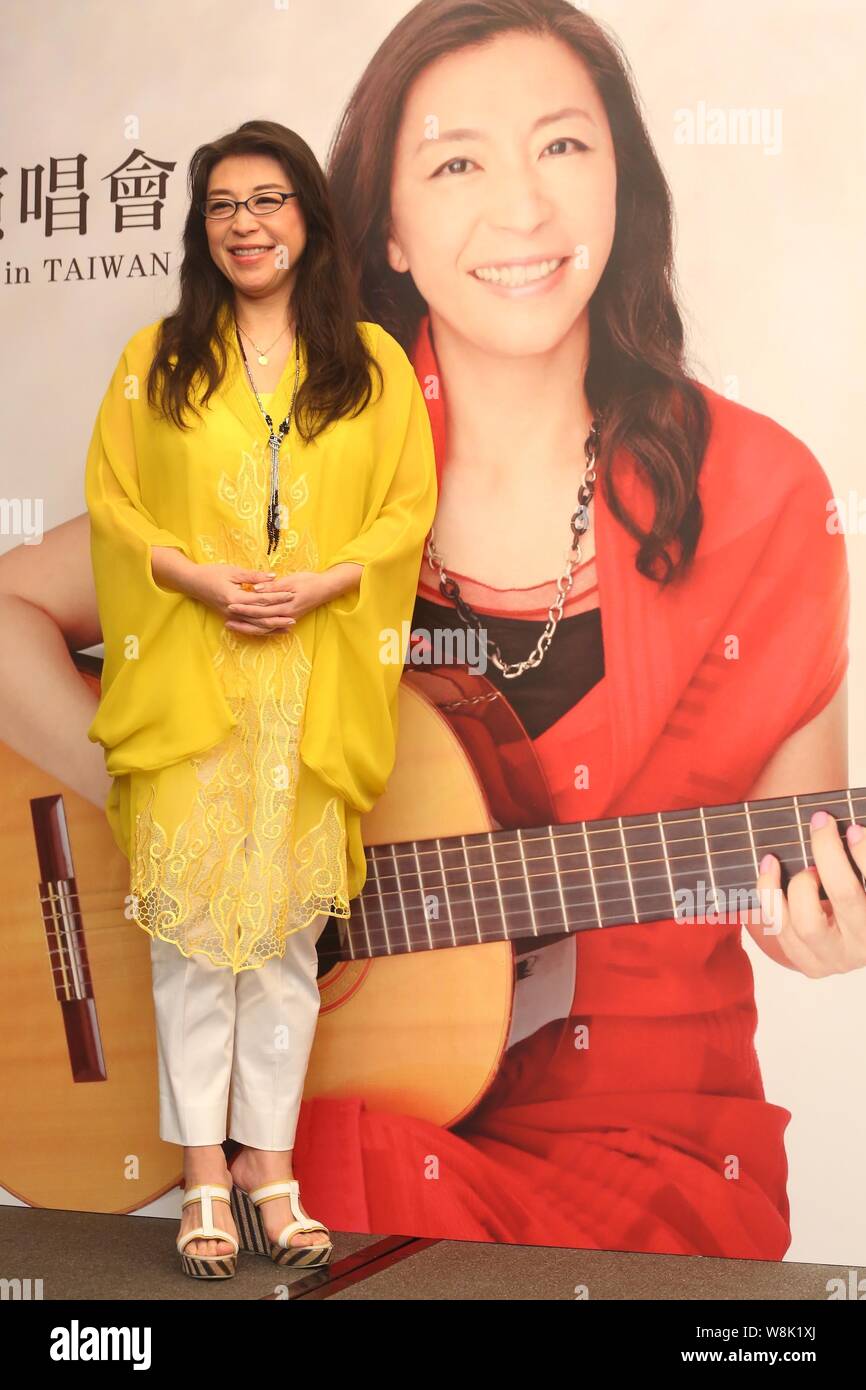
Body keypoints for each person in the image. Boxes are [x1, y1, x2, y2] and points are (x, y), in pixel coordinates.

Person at [278, 0, 866, 1257]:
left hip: (647, 1146)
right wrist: (164, 844)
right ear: (384, 222)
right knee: (309, 1170)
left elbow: (804, 869)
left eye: (560, 147)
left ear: (621, 181)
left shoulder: (767, 499)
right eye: (455, 161)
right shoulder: (296, 471)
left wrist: (830, 934)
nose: (521, 209)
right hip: (349, 1106)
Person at [83, 119, 437, 1277]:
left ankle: (270, 1177)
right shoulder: (157, 360)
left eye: (269, 199)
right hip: (192, 686)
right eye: (223, 204)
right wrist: (192, 576)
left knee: (284, 945)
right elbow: (116, 506)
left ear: (309, 220)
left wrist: (329, 582)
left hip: (308, 686)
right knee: (191, 944)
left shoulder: (373, 366)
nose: (245, 222)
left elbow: (404, 513)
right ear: (202, 228)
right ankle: (198, 1178)